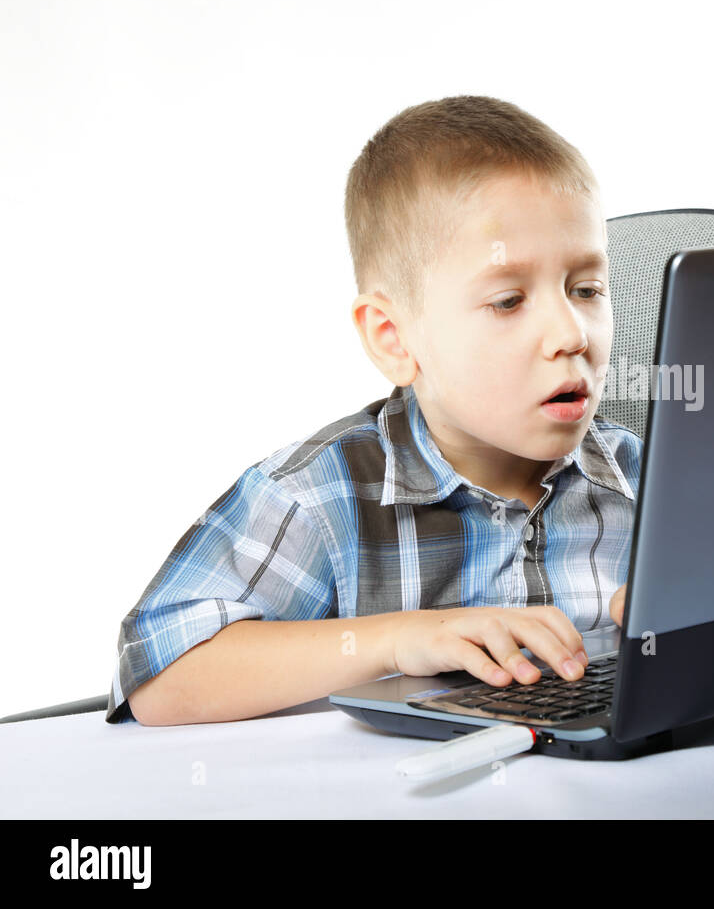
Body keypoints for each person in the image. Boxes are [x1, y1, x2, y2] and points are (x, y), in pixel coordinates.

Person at [111, 96, 638, 725]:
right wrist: (395, 639)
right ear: (394, 338)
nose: (570, 333)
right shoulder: (320, 496)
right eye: (507, 300)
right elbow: (161, 674)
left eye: (586, 290)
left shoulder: (651, 476)